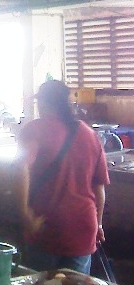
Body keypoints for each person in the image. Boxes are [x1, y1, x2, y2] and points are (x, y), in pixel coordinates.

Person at [16, 80, 109, 274]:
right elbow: (99, 188)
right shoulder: (90, 134)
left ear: (43, 103)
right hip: (83, 228)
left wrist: (24, 212)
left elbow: (21, 167)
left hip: (46, 226)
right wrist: (98, 224)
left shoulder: (34, 130)